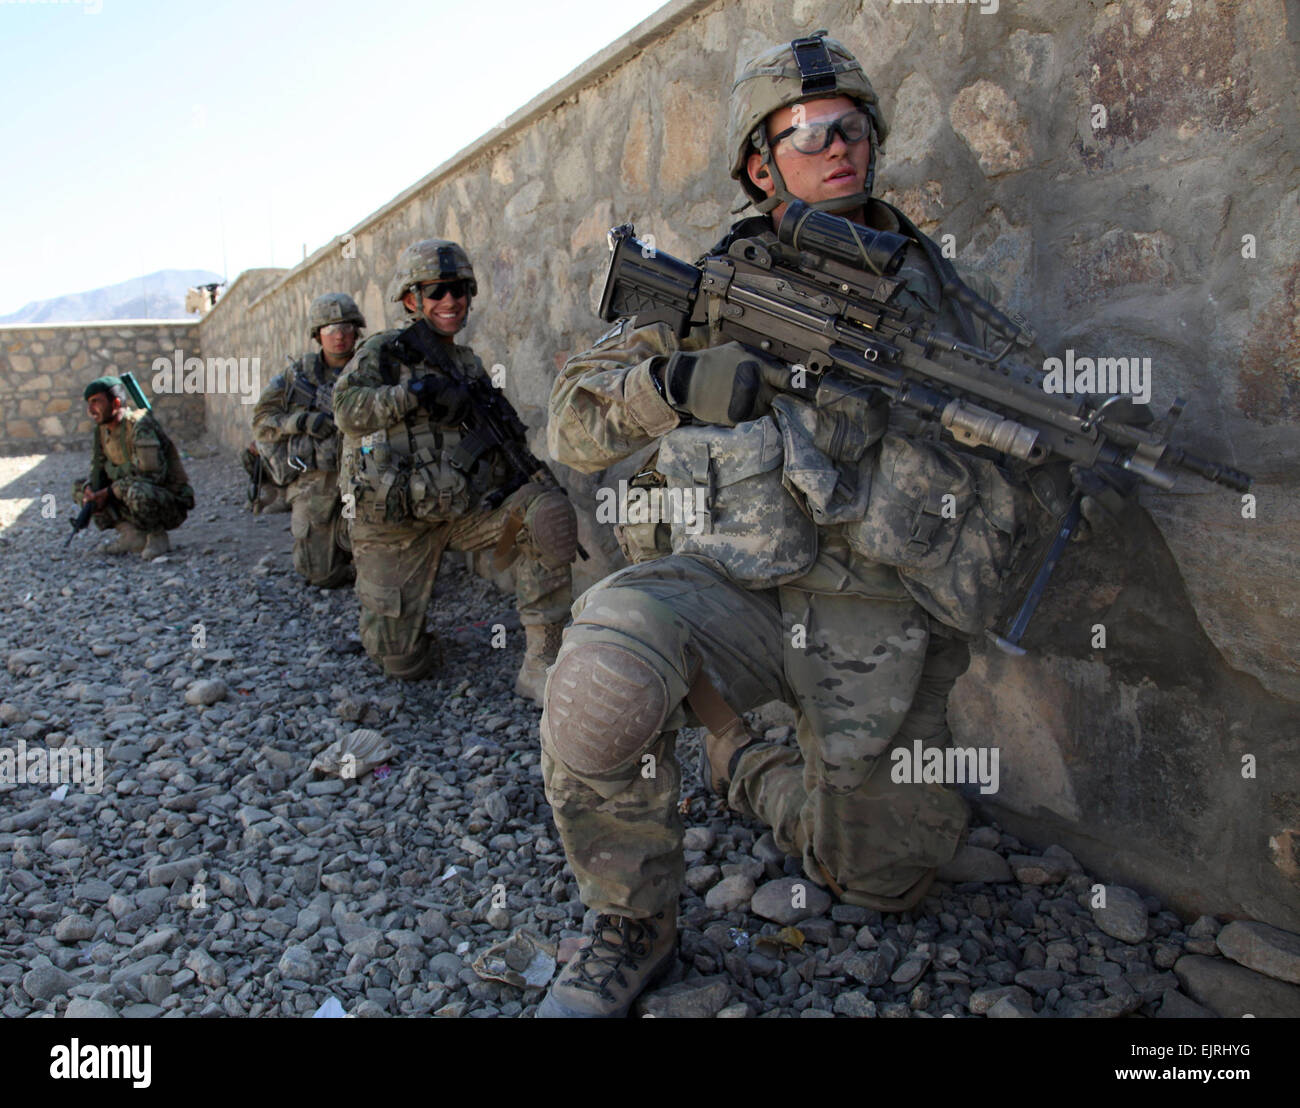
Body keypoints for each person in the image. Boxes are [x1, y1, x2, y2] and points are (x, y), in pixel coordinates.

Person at [534, 31, 1085, 1018]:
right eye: (808, 133)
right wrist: (668, 386)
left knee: (881, 883)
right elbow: (570, 425)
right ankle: (630, 926)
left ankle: (737, 753)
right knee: (602, 683)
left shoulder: (940, 299)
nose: (839, 147)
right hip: (730, 588)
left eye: (853, 128)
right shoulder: (713, 287)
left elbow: (1028, 411)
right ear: (758, 163)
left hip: (879, 613)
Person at [332, 239, 577, 697]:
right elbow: (346, 410)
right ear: (412, 299)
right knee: (401, 662)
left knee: (546, 513)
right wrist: (415, 393)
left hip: (461, 512)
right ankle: (411, 632)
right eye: (437, 291)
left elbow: (499, 443)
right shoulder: (385, 353)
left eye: (460, 290)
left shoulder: (468, 365)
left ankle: (543, 663)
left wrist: (531, 481)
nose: (451, 301)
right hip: (394, 522)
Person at [250, 293, 363, 587]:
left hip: (367, 473)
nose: (339, 337)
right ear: (317, 335)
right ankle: (343, 555)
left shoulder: (371, 367)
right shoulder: (297, 377)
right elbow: (262, 422)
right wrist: (299, 422)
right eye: (329, 330)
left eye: (346, 328)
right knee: (319, 574)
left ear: (356, 330)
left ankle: (366, 557)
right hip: (318, 477)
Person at [76, 375, 194, 559]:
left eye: (96, 402)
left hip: (166, 500)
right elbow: (98, 468)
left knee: (137, 491)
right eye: (88, 404)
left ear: (115, 403)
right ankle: (132, 535)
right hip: (126, 494)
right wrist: (91, 491)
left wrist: (109, 492)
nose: (90, 410)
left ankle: (157, 536)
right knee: (81, 489)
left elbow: (152, 476)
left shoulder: (140, 426)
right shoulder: (101, 430)